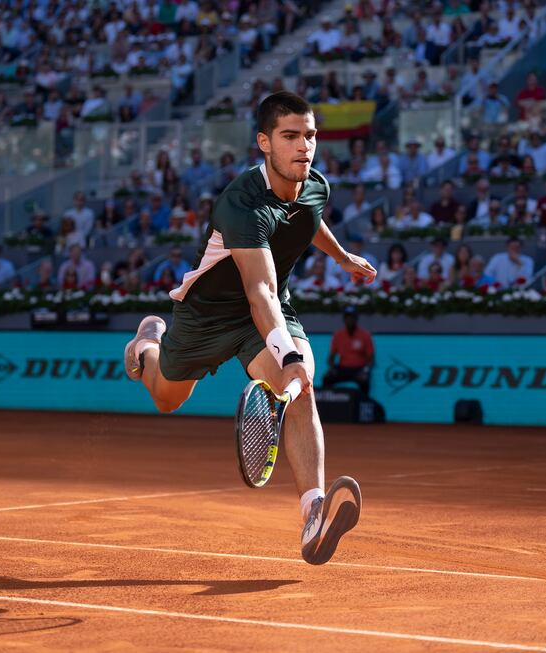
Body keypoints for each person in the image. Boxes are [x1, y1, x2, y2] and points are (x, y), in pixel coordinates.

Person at [122, 92, 371, 565]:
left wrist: (341, 256)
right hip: (209, 314)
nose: (304, 146)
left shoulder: (315, 186)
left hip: (271, 311)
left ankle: (313, 511)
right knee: (166, 397)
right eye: (290, 136)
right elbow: (257, 291)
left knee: (302, 389)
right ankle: (149, 343)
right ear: (264, 142)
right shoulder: (240, 203)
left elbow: (309, 218)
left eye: (311, 136)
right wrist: (291, 356)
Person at [323, 306, 374, 396]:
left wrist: (365, 370)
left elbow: (371, 359)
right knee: (327, 379)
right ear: (344, 319)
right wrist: (332, 368)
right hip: (343, 368)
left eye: (352, 317)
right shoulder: (338, 335)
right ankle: (328, 404)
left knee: (365, 381)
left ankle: (363, 405)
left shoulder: (365, 335)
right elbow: (331, 357)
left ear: (356, 319)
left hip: (359, 369)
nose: (349, 320)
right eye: (347, 317)